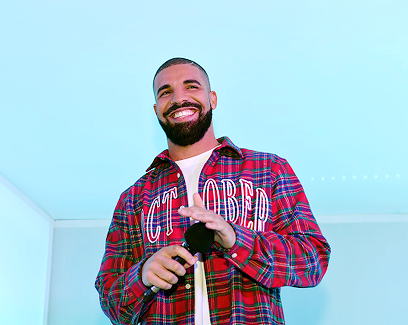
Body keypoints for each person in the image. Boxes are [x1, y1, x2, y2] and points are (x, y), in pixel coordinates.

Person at [95, 57, 331, 324]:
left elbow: (313, 260)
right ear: (156, 108)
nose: (178, 98)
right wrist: (142, 276)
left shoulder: (269, 169)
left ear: (213, 99)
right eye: (165, 92)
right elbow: (111, 304)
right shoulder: (133, 198)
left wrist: (235, 239)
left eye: (191, 86)